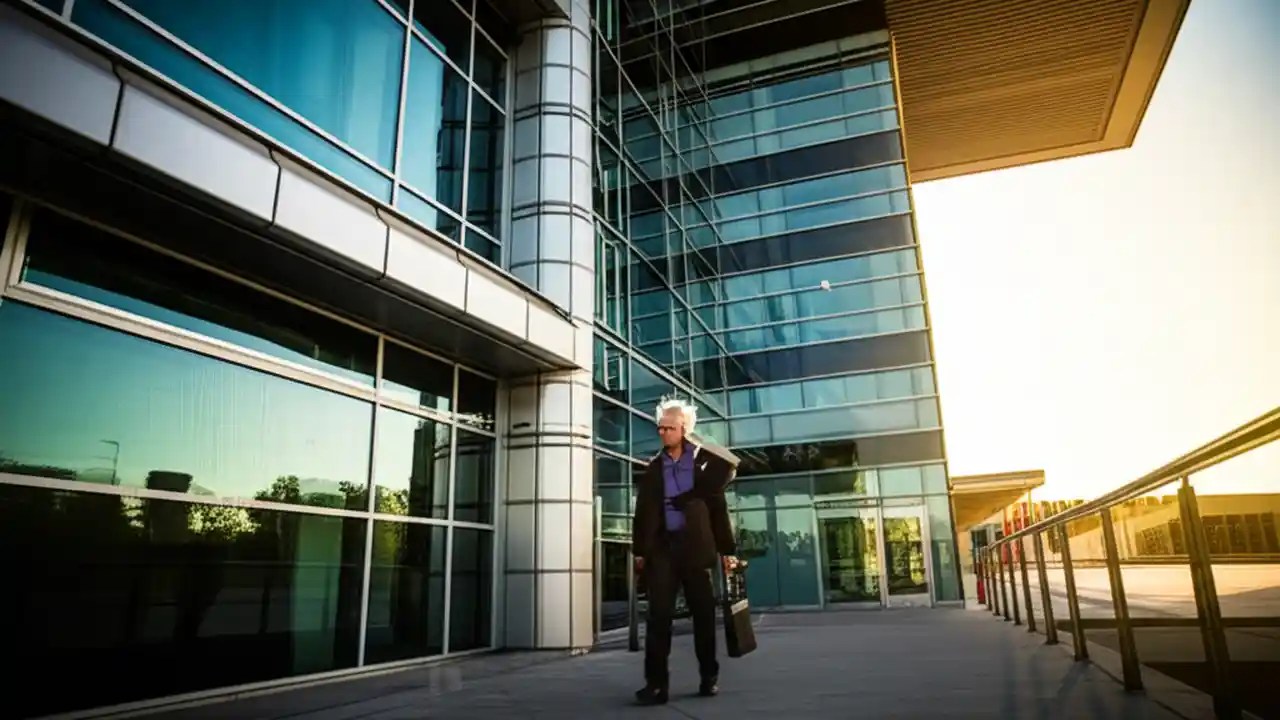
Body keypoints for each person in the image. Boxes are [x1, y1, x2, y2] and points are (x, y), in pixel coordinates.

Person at [631, 398, 737, 705]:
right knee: (657, 617)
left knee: (703, 616)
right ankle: (655, 685)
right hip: (663, 549)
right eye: (660, 427)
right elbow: (643, 512)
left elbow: (717, 508)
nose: (663, 432)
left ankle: (709, 676)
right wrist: (641, 551)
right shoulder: (653, 468)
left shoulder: (705, 464)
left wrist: (726, 551)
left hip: (695, 548)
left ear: (684, 429)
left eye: (669, 427)